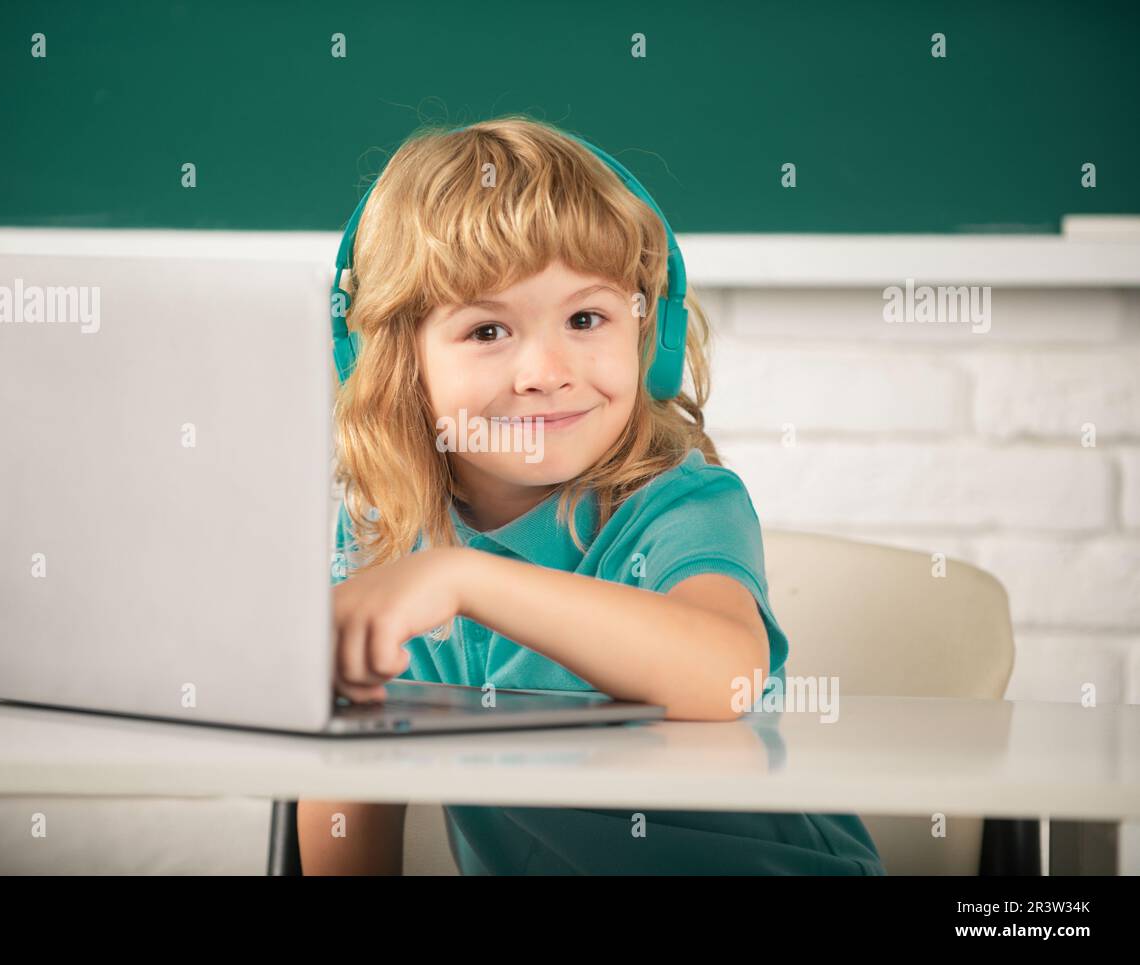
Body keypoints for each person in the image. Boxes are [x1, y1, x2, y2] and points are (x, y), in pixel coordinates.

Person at [299, 116, 885, 876]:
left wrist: (464, 580)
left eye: (585, 318)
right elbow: (350, 777)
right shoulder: (390, 532)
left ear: (650, 335)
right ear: (389, 363)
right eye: (486, 330)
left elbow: (725, 676)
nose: (546, 368)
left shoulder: (679, 505)